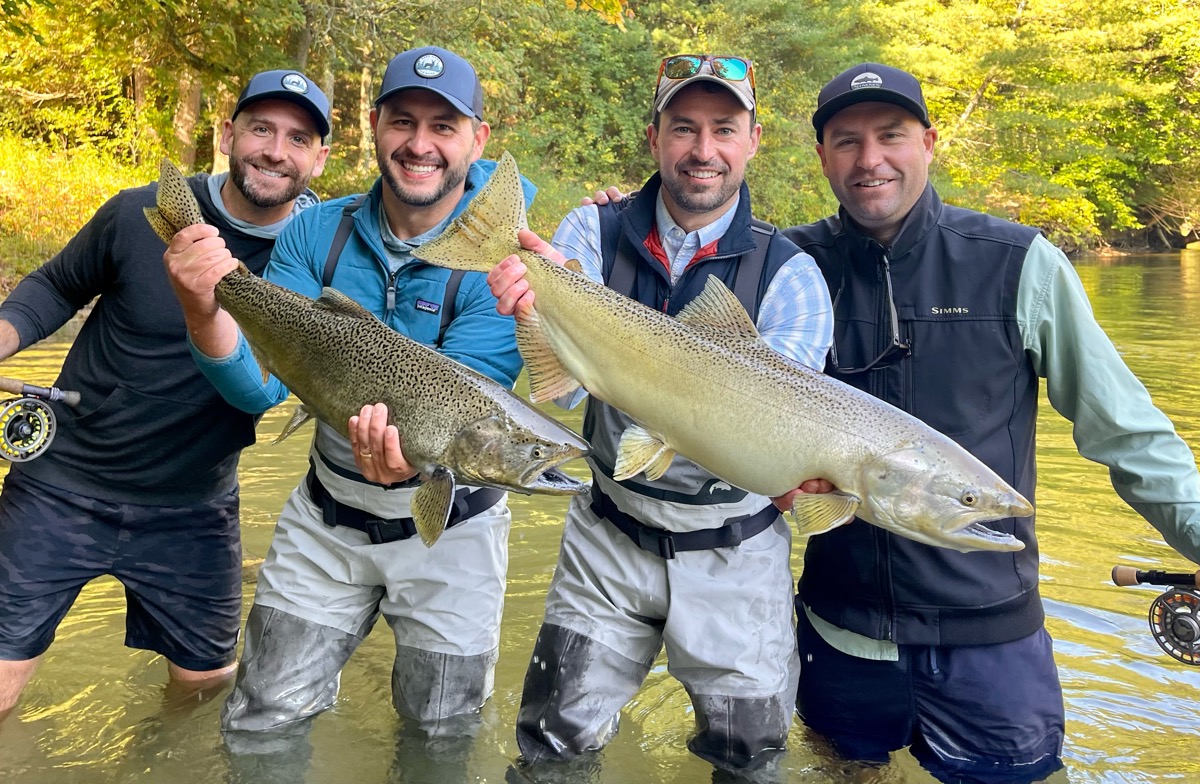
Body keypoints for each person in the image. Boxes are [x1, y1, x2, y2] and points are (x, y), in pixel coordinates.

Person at [777, 63, 1200, 784]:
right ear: (821, 157)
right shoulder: (786, 267)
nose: (870, 159)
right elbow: (685, 348)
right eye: (846, 141)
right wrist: (622, 219)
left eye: (891, 136)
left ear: (930, 142)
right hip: (838, 633)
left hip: (990, 641)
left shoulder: (1019, 263)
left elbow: (1126, 431)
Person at [162, 46, 535, 743]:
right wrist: (203, 307)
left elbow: (462, 413)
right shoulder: (314, 230)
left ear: (477, 139)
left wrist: (416, 459)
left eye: (443, 126)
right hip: (326, 516)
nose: (419, 144)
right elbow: (259, 392)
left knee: (442, 735)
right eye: (402, 122)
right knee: (259, 723)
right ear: (374, 127)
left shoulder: (506, 264)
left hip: (452, 527)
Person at [487, 54, 833, 775]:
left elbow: (772, 434)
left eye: (723, 129)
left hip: (736, 546)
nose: (702, 151)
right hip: (608, 536)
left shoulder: (791, 275)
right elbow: (569, 393)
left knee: (750, 759)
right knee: (549, 749)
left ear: (754, 140)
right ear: (654, 140)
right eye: (683, 128)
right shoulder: (590, 232)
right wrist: (538, 306)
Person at [0, 69, 331, 718]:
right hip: (59, 489)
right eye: (261, 128)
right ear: (228, 134)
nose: (274, 150)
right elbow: (57, 287)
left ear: (320, 158)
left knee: (203, 695)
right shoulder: (135, 213)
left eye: (298, 138)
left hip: (194, 510)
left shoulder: (323, 254)